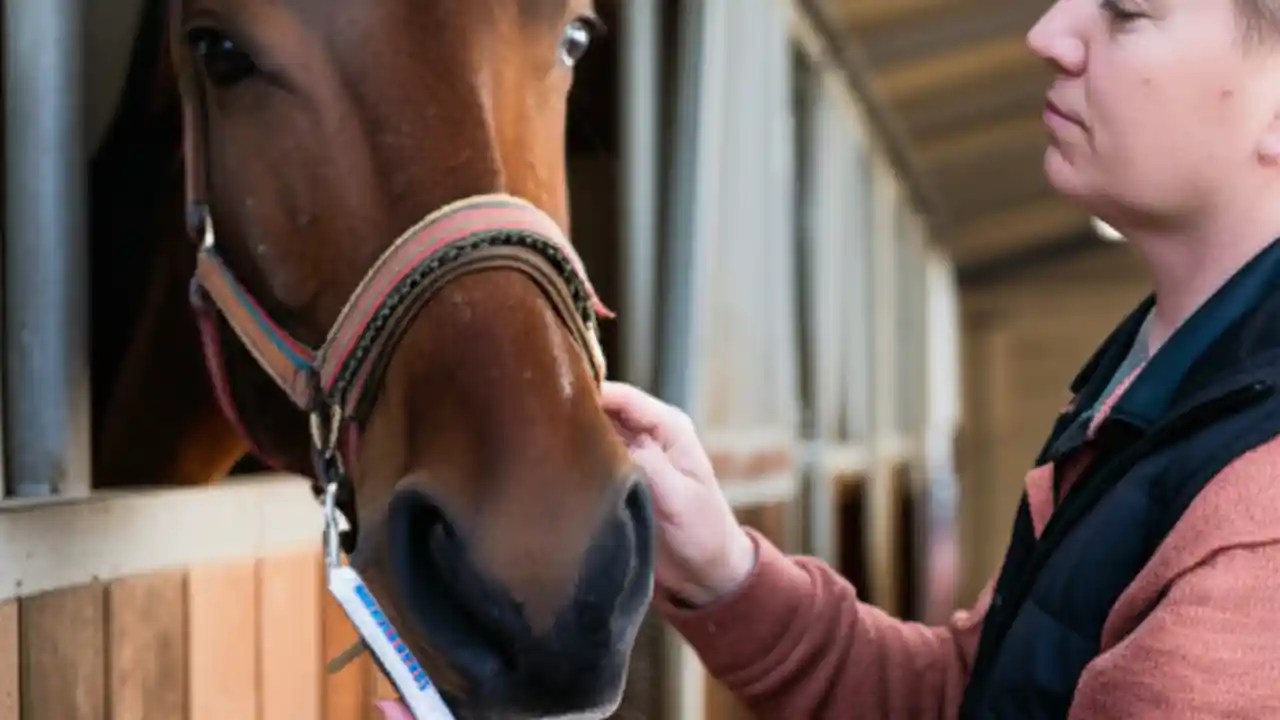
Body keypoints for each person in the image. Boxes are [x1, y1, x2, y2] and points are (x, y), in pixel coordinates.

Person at [378, 0, 1280, 716]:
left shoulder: (1258, 521)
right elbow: (966, 700)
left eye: (1126, 8)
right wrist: (725, 570)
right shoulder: (1164, 378)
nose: (1049, 33)